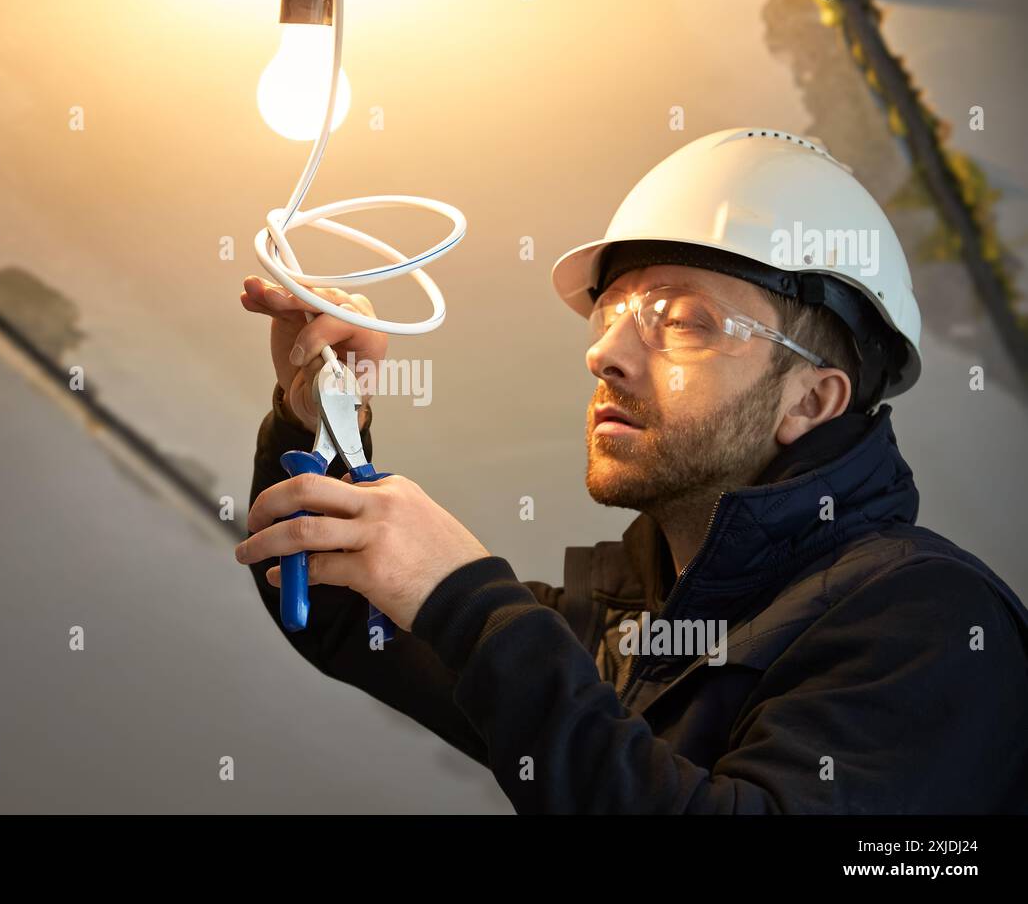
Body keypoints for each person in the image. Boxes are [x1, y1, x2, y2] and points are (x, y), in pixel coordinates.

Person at [235, 128, 1028, 813]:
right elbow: (338, 611)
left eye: (684, 320)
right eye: (611, 313)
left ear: (812, 400)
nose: (602, 352)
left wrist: (469, 602)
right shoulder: (620, 628)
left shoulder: (928, 619)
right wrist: (320, 416)